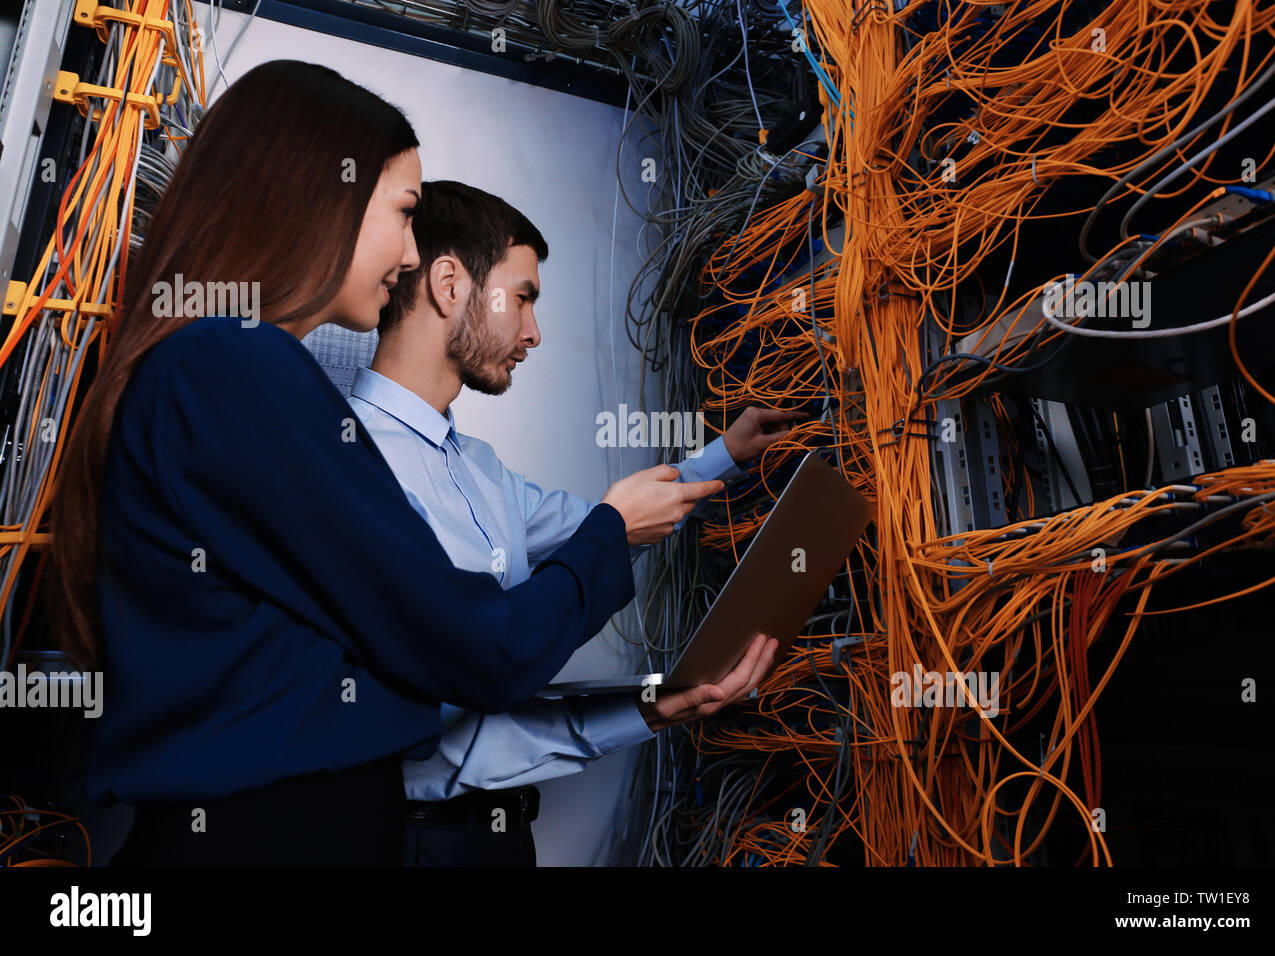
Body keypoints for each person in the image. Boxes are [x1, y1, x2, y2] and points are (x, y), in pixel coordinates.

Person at [45, 59, 755, 866]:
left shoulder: (218, 370)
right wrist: (610, 540)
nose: (411, 253)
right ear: (320, 196)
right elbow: (480, 648)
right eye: (404, 213)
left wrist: (707, 473)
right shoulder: (232, 365)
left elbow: (426, 664)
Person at [334, 180, 799, 865]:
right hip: (413, 843)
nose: (534, 332)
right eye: (522, 297)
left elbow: (604, 532)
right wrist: (648, 707)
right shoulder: (351, 464)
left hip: (499, 837)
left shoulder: (481, 468)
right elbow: (463, 696)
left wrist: (725, 454)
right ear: (450, 284)